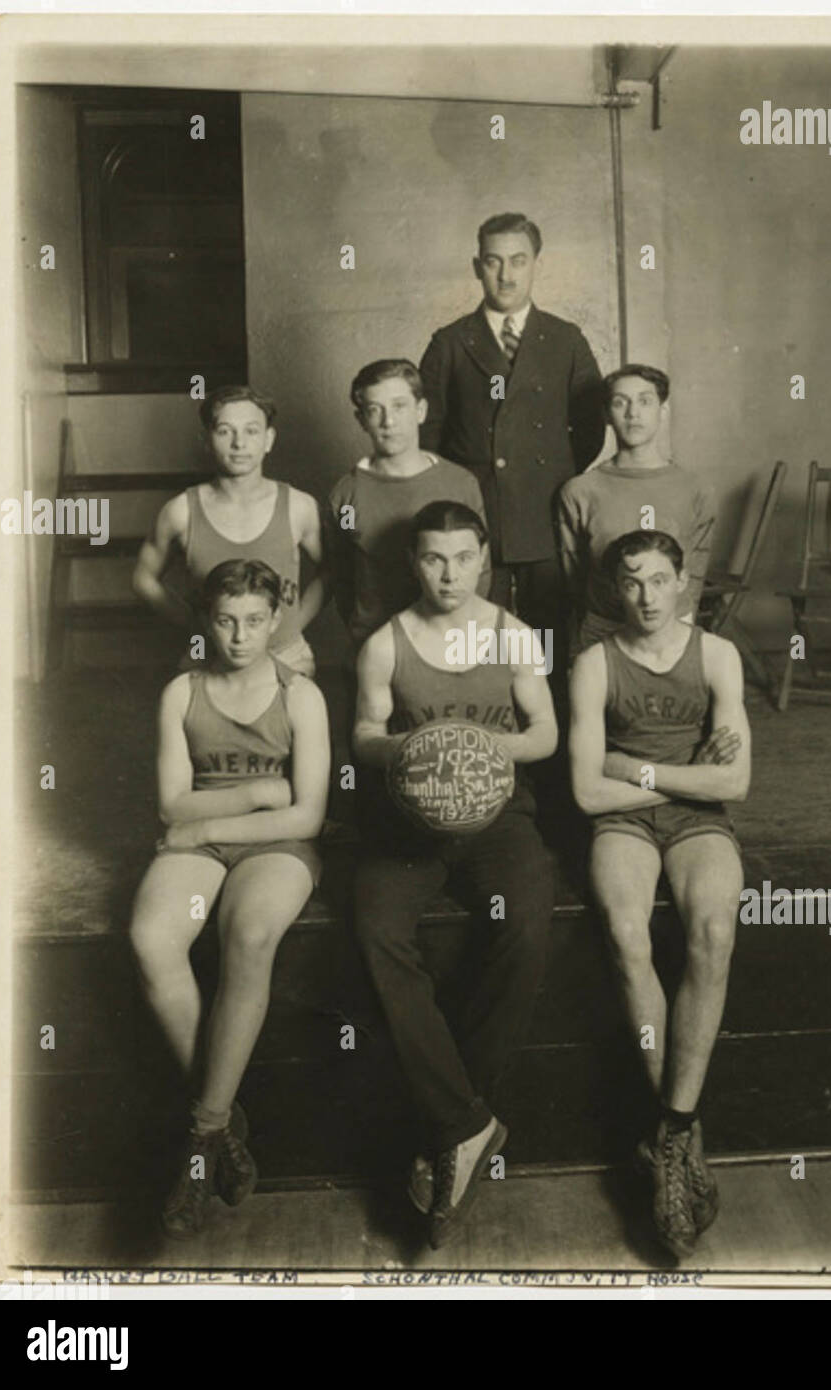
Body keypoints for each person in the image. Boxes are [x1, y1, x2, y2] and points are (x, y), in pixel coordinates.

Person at [352, 500, 557, 1248]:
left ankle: (450, 1128)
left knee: (529, 926)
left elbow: (546, 731)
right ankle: (466, 1124)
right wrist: (416, 750)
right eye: (433, 558)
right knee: (375, 927)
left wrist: (478, 749)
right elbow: (365, 733)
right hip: (410, 819)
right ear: (414, 562)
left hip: (500, 816)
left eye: (462, 557)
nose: (447, 572)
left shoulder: (513, 634)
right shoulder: (386, 643)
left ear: (483, 562)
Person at [130, 559, 330, 1238]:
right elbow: (167, 803)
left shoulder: (301, 695)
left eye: (253, 620)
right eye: (224, 620)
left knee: (246, 938)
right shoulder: (181, 693)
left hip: (274, 848)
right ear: (205, 619)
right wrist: (252, 794)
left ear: (277, 617)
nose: (239, 636)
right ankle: (222, 1119)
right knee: (154, 938)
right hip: (204, 846)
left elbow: (306, 817)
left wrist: (208, 821)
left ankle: (202, 1135)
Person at [567, 529, 750, 1259]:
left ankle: (669, 1134)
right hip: (621, 821)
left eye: (659, 580)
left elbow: (733, 783)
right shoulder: (592, 664)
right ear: (617, 590)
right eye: (632, 582)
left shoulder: (718, 655)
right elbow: (584, 791)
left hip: (698, 819)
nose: (645, 596)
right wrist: (674, 771)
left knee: (712, 932)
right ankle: (680, 1130)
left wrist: (632, 765)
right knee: (625, 933)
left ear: (683, 584)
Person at [419, 212, 605, 637]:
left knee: (549, 638)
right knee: (475, 634)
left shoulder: (565, 339)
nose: (506, 276)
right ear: (476, 267)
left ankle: (550, 706)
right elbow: (427, 433)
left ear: (537, 264)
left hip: (546, 510)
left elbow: (591, 426)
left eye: (518, 261)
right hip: (476, 513)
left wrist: (553, 475)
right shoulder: (450, 342)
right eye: (493, 261)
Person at [133, 385, 325, 676]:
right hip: (208, 652)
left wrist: (294, 622)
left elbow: (333, 570)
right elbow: (143, 578)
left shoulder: (299, 506)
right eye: (225, 431)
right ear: (207, 440)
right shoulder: (180, 511)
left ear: (269, 439)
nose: (239, 443)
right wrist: (196, 622)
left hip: (284, 653)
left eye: (251, 431)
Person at [324, 359, 491, 651]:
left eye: (400, 406)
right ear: (361, 420)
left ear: (421, 411)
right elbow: (343, 576)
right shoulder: (346, 497)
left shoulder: (460, 483)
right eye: (375, 410)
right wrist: (366, 632)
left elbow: (481, 566)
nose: (389, 421)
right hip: (376, 645)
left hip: (451, 640)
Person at [556, 364, 714, 661]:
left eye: (645, 401)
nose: (633, 413)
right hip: (602, 631)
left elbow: (697, 565)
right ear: (606, 415)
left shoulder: (693, 488)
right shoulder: (580, 490)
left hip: (671, 629)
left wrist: (678, 620)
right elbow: (572, 574)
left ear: (662, 411)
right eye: (620, 402)